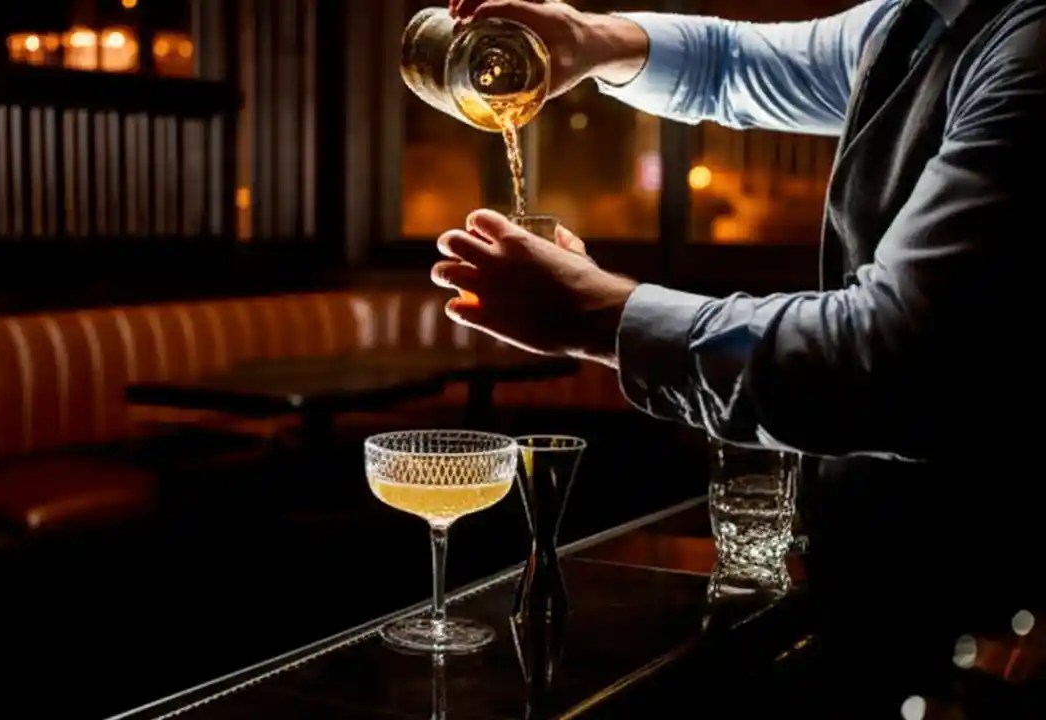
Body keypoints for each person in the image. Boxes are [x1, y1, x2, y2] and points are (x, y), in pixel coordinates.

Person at [434, 0, 1044, 699]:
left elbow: (893, 354)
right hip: (884, 572)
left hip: (985, 602)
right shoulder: (919, 19)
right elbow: (730, 64)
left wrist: (597, 312)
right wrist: (590, 39)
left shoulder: (1027, 46)